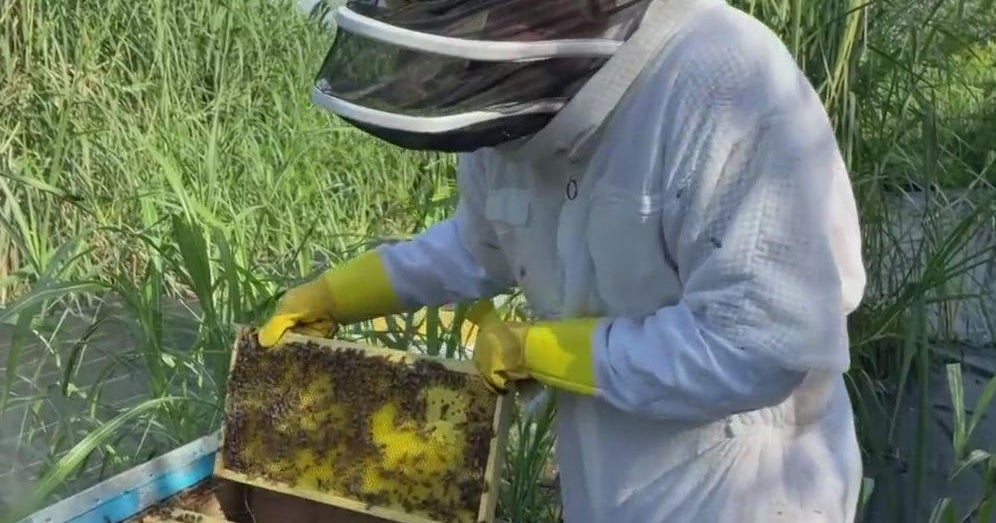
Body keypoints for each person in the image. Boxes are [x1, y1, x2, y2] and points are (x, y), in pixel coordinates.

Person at [258, 0, 868, 521]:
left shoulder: (725, 83)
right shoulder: (502, 84)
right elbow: (484, 237)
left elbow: (761, 345)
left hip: (747, 486)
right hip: (605, 467)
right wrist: (338, 295)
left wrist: (551, 351)